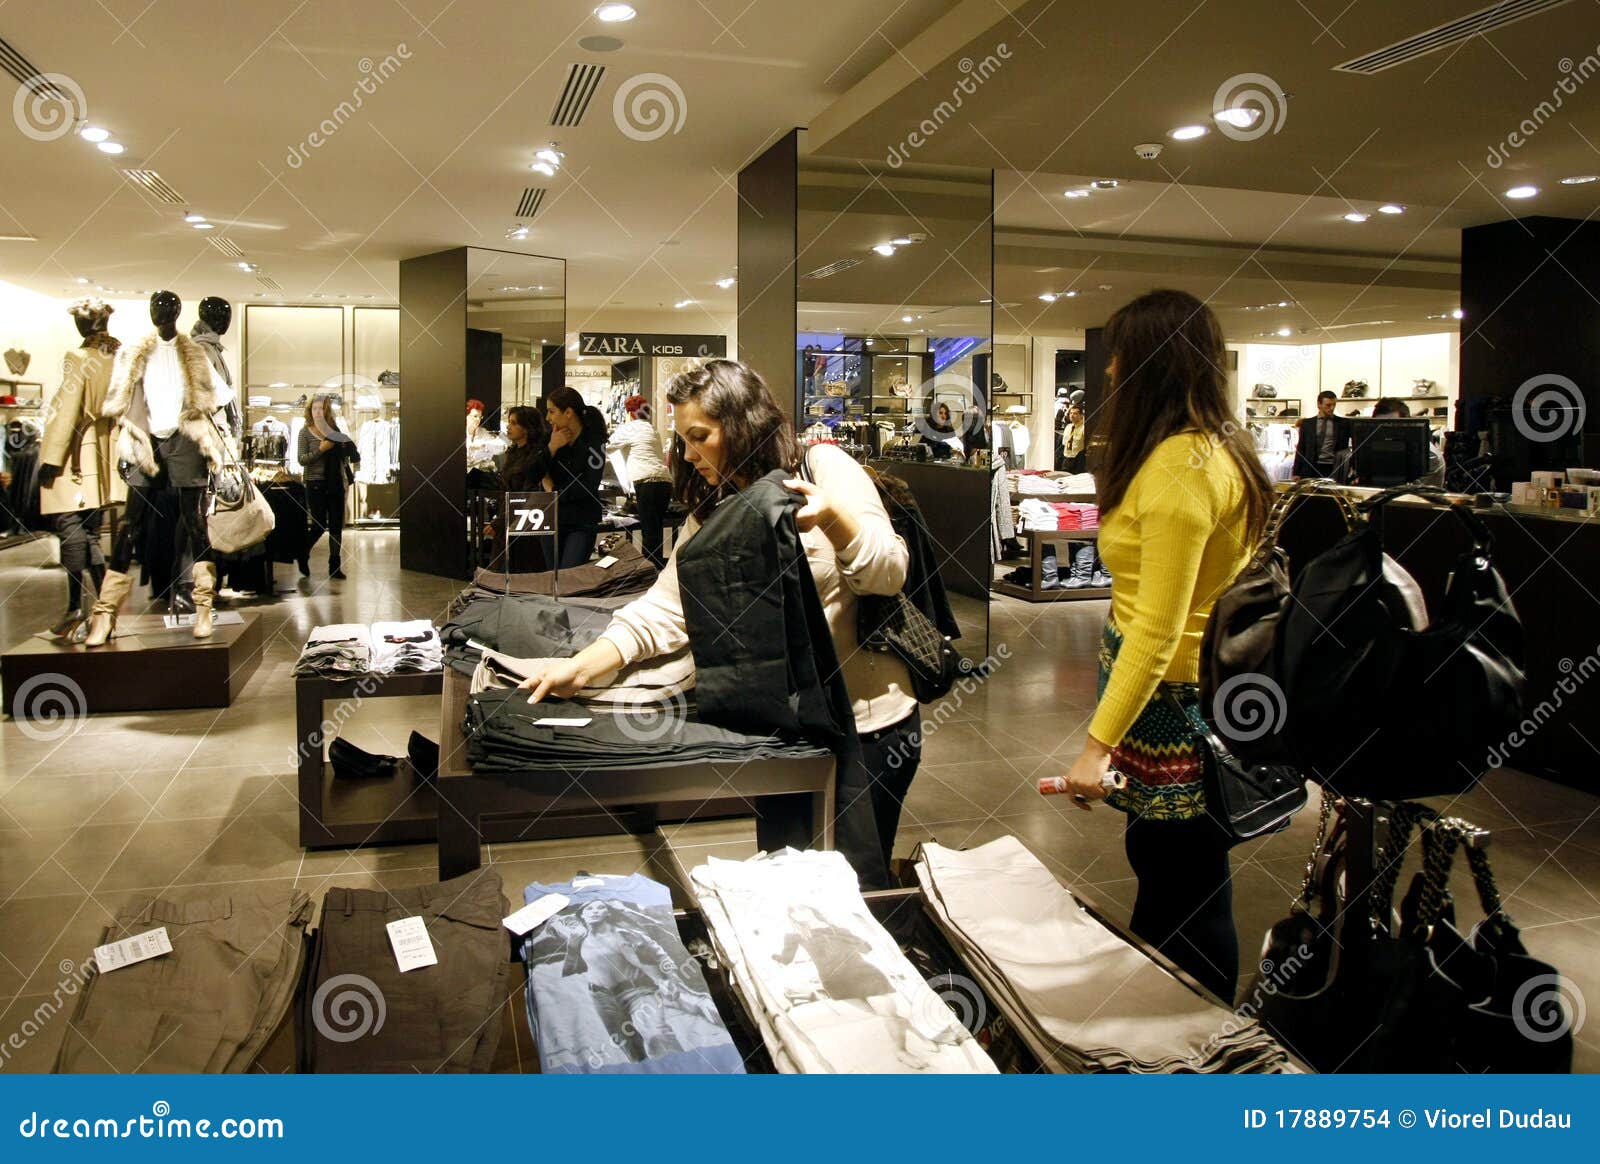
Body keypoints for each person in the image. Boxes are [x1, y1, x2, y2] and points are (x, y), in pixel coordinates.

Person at [519, 359, 919, 882]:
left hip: (868, 727)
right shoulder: (714, 512)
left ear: (742, 423)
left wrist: (831, 520)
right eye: (683, 439)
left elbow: (888, 573)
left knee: (855, 886)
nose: (687, 453)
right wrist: (585, 662)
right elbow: (666, 608)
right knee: (786, 880)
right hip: (784, 734)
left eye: (699, 436)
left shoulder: (822, 467)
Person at [1055, 289, 1273, 1003]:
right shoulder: (1216, 449)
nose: (1110, 369)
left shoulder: (1181, 466)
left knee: (1181, 876)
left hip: (1177, 702)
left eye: (1119, 354)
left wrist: (1097, 745)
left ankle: (1189, 1039)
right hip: (1188, 695)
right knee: (1180, 871)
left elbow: (1157, 625)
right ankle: (1177, 1029)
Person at [543, 385, 608, 568]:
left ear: (568, 412)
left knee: (569, 576)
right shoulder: (550, 438)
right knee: (553, 577)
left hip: (582, 520)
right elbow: (534, 472)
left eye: (551, 411)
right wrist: (552, 448)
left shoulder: (594, 441)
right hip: (551, 520)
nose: (548, 418)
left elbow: (589, 484)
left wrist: (554, 491)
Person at [299, 393, 360, 579]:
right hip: (315, 484)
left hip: (335, 483)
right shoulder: (305, 432)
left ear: (326, 411)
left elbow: (349, 453)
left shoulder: (334, 430)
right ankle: (303, 553)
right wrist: (321, 449)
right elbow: (302, 460)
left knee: (336, 526)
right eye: (314, 408)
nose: (318, 412)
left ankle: (335, 566)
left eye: (321, 408)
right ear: (310, 410)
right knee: (318, 525)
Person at [607, 394, 673, 567]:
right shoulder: (652, 429)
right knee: (656, 529)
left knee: (649, 531)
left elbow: (608, 445)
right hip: (664, 482)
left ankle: (649, 572)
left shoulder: (629, 428)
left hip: (647, 483)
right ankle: (656, 567)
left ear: (629, 413)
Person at [497, 405, 550, 572]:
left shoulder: (536, 456)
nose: (508, 426)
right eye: (508, 422)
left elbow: (528, 491)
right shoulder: (512, 453)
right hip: (508, 515)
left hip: (525, 518)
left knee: (523, 567)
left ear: (526, 428)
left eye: (513, 423)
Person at [1367, 397, 1445, 486]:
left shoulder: (1428, 455)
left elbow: (1409, 494)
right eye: (1380, 427)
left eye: (1392, 425)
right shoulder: (1378, 448)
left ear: (1407, 425)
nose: (1386, 432)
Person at [1294, 390, 1351, 480]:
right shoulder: (1307, 424)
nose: (1331, 408)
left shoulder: (1343, 423)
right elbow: (1301, 448)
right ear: (1319, 404)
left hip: (1334, 468)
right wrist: (1296, 472)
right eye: (1328, 405)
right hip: (1310, 468)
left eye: (1334, 405)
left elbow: (1349, 448)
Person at [1060, 402, 1087, 472]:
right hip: (1066, 458)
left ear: (1081, 415)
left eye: (1075, 413)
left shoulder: (1084, 428)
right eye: (1071, 413)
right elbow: (1064, 443)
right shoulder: (1068, 427)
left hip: (1078, 459)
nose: (1072, 415)